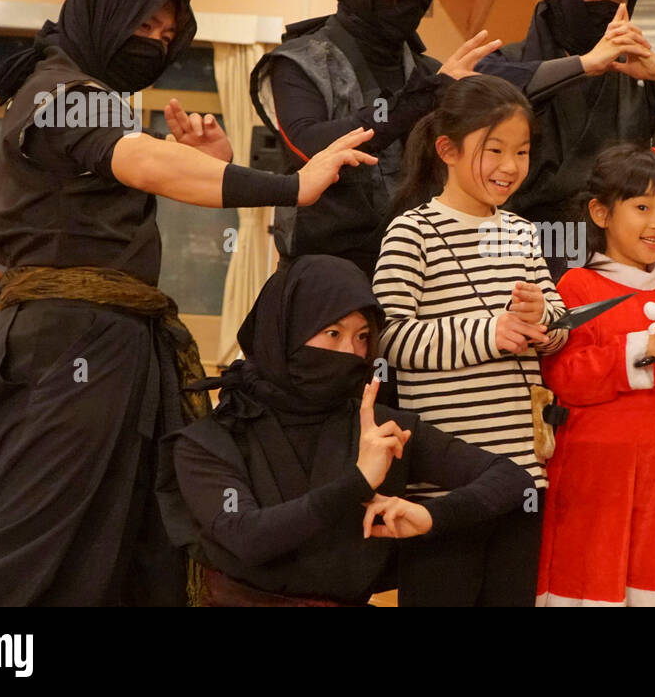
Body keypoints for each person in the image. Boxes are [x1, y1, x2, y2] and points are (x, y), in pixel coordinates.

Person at [0, 0, 375, 607]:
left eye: (167, 33)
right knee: (26, 532)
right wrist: (293, 184)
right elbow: (141, 159)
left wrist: (209, 167)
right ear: (102, 14)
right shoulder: (61, 94)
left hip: (97, 341)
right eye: (142, 23)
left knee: (119, 529)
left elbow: (130, 183)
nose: (154, 41)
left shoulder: (74, 93)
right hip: (71, 344)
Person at [159, 255, 532, 606]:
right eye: (333, 333)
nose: (350, 352)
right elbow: (247, 537)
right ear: (285, 332)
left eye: (362, 337)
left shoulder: (381, 427)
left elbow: (512, 479)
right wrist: (358, 481)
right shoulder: (213, 438)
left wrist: (431, 516)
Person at [373, 74, 568, 606]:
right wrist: (489, 333)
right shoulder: (412, 230)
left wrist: (541, 318)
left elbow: (555, 329)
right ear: (448, 150)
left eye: (522, 152)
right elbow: (388, 338)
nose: (510, 166)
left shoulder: (523, 231)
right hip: (445, 477)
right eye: (495, 150)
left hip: (524, 470)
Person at [251, 0, 501, 276]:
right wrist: (421, 99)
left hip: (423, 272)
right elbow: (309, 144)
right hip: (326, 275)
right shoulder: (298, 62)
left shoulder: (429, 73)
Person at [537, 144, 655, 607]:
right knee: (592, 584)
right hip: (593, 477)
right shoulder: (576, 285)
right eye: (641, 207)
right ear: (600, 212)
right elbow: (564, 377)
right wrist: (641, 349)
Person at [478, 0, 655, 274]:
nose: (605, 5)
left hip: (617, 249)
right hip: (517, 248)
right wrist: (583, 65)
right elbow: (481, 93)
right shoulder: (508, 61)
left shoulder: (636, 72)